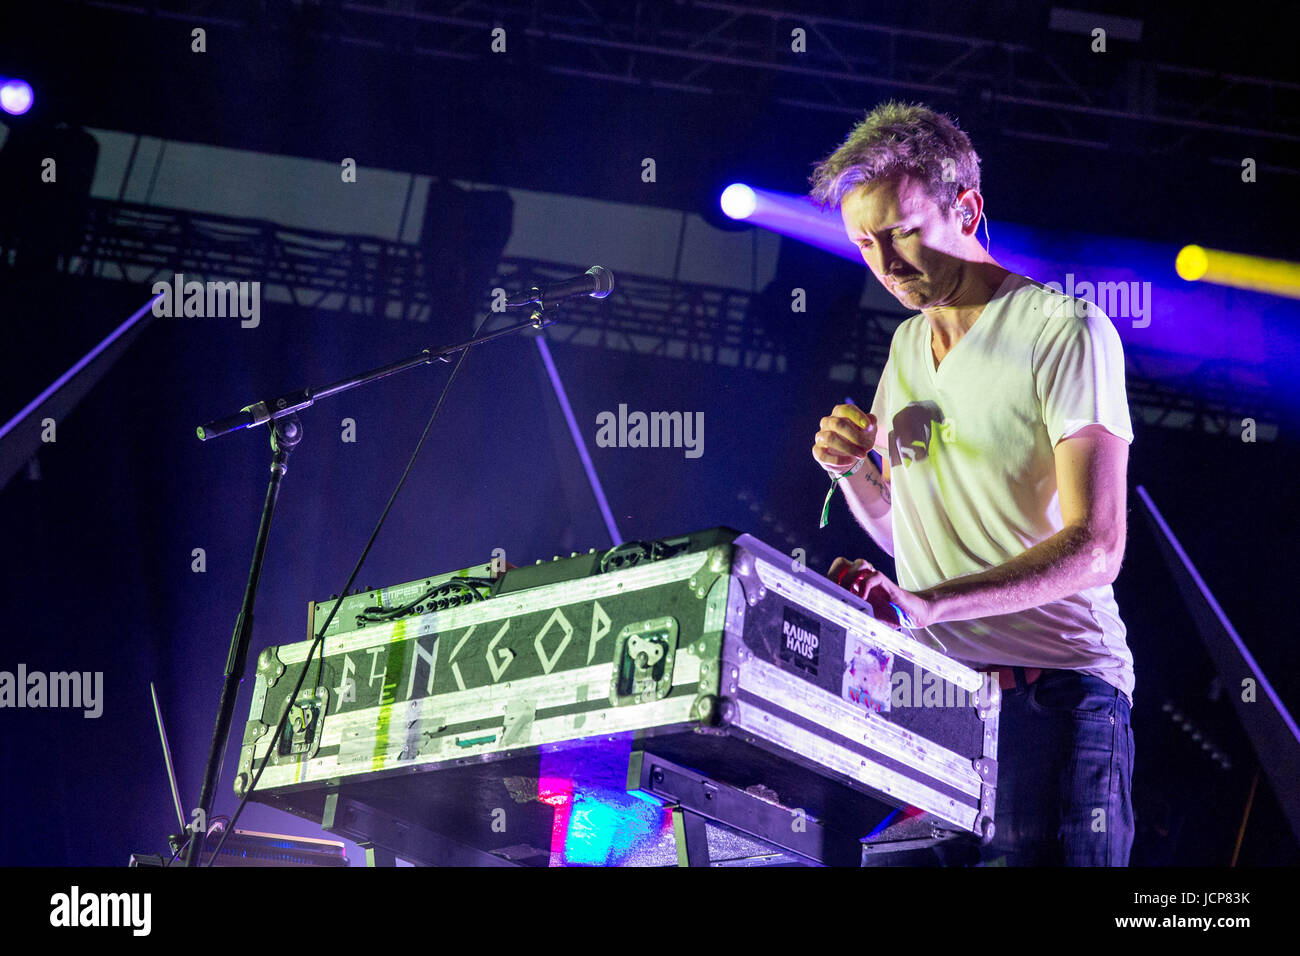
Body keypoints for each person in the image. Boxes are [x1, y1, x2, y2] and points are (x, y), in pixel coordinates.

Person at [807, 101, 1135, 866]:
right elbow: (903, 530)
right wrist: (852, 470)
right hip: (938, 704)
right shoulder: (905, 347)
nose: (885, 264)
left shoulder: (1062, 330)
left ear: (967, 208)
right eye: (864, 242)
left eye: (902, 233)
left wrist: (929, 605)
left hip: (1053, 700)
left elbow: (1098, 547)